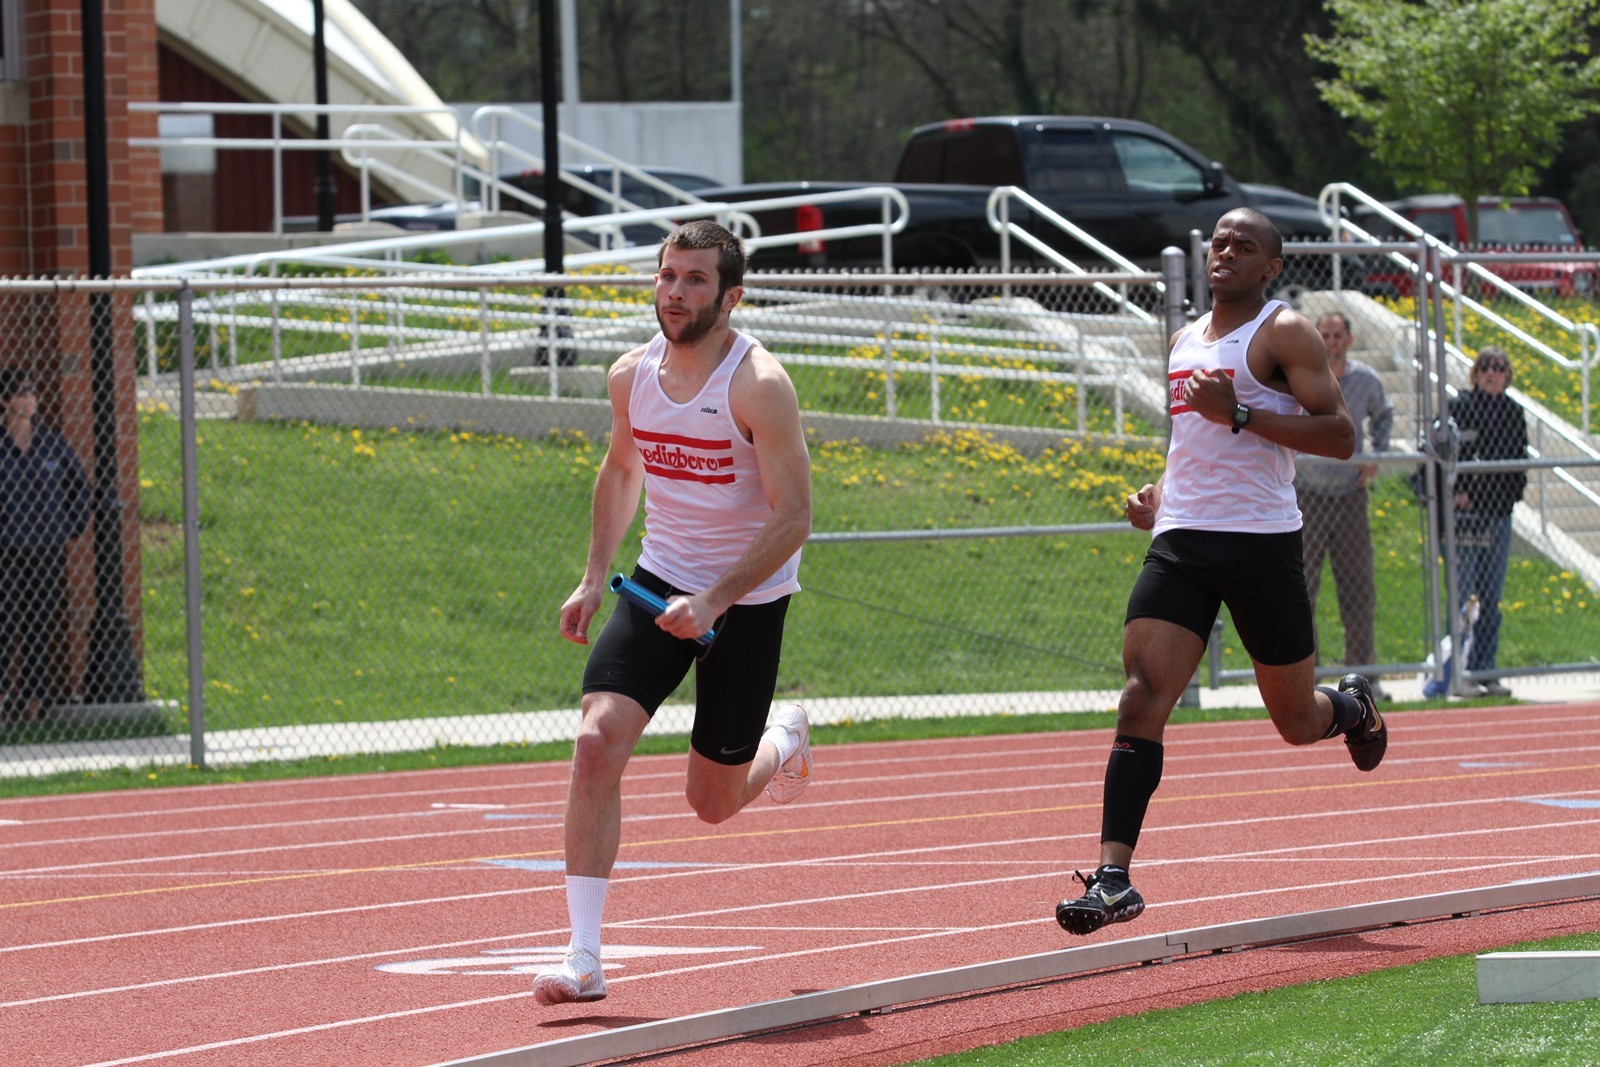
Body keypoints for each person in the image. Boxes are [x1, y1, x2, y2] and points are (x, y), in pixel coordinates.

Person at [1055, 208, 1388, 937]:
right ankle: (1113, 877)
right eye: (1219, 243)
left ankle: (1352, 708)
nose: (1226, 251)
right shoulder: (1181, 340)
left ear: (1272, 266)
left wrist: (1239, 411)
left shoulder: (1284, 331)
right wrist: (1159, 496)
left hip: (1262, 544)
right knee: (1141, 695)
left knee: (1296, 721)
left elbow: (1338, 435)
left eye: (1244, 245)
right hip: (1183, 544)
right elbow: (1192, 446)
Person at [535, 220, 814, 1004]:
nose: (675, 293)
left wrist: (719, 597)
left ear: (731, 295)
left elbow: (794, 515)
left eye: (694, 280)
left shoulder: (759, 383)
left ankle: (782, 739)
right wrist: (593, 578)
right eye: (667, 276)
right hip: (658, 583)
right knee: (596, 744)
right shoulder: (632, 375)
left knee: (711, 804)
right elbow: (621, 468)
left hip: (745, 600)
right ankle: (584, 957)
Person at [1295, 311, 1394, 698]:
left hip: (1350, 493)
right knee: (1302, 590)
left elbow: (1384, 416)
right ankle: (1306, 679)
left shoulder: (1365, 380)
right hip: (1307, 494)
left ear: (1349, 339)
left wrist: (1377, 455)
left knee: (1358, 586)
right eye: (1325, 335)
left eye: (1338, 335)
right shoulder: (1300, 378)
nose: (1332, 341)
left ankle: (1363, 676)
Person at [0, 368, 91, 723]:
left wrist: (69, 526)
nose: (28, 399)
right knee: (5, 625)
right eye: (20, 393)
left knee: (39, 624)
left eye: (32, 392)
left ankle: (34, 705)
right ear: (5, 401)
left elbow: (80, 487)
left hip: (47, 550)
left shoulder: (51, 444)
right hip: (8, 552)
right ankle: (3, 702)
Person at [1447, 345, 1528, 698]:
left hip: (1499, 514)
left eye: (1499, 368)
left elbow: (1518, 467)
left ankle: (1486, 670)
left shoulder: (1513, 411)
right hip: (1467, 515)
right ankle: (1458, 672)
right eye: (1486, 368)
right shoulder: (1461, 406)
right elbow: (1453, 457)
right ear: (1476, 374)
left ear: (1507, 375)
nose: (1492, 373)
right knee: (1467, 596)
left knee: (1491, 598)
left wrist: (1504, 498)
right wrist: (1466, 493)